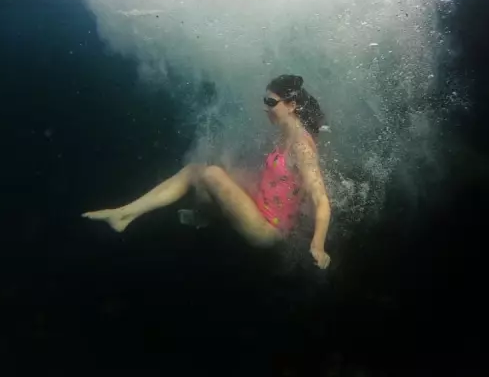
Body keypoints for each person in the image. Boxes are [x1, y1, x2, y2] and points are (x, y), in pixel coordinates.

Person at [82, 75, 332, 269]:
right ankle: (126, 214)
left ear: (292, 105)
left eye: (271, 102)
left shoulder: (301, 145)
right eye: (264, 101)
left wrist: (318, 245)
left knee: (211, 174)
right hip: (263, 211)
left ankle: (186, 216)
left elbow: (321, 200)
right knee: (198, 170)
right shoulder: (286, 134)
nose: (265, 108)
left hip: (268, 229)